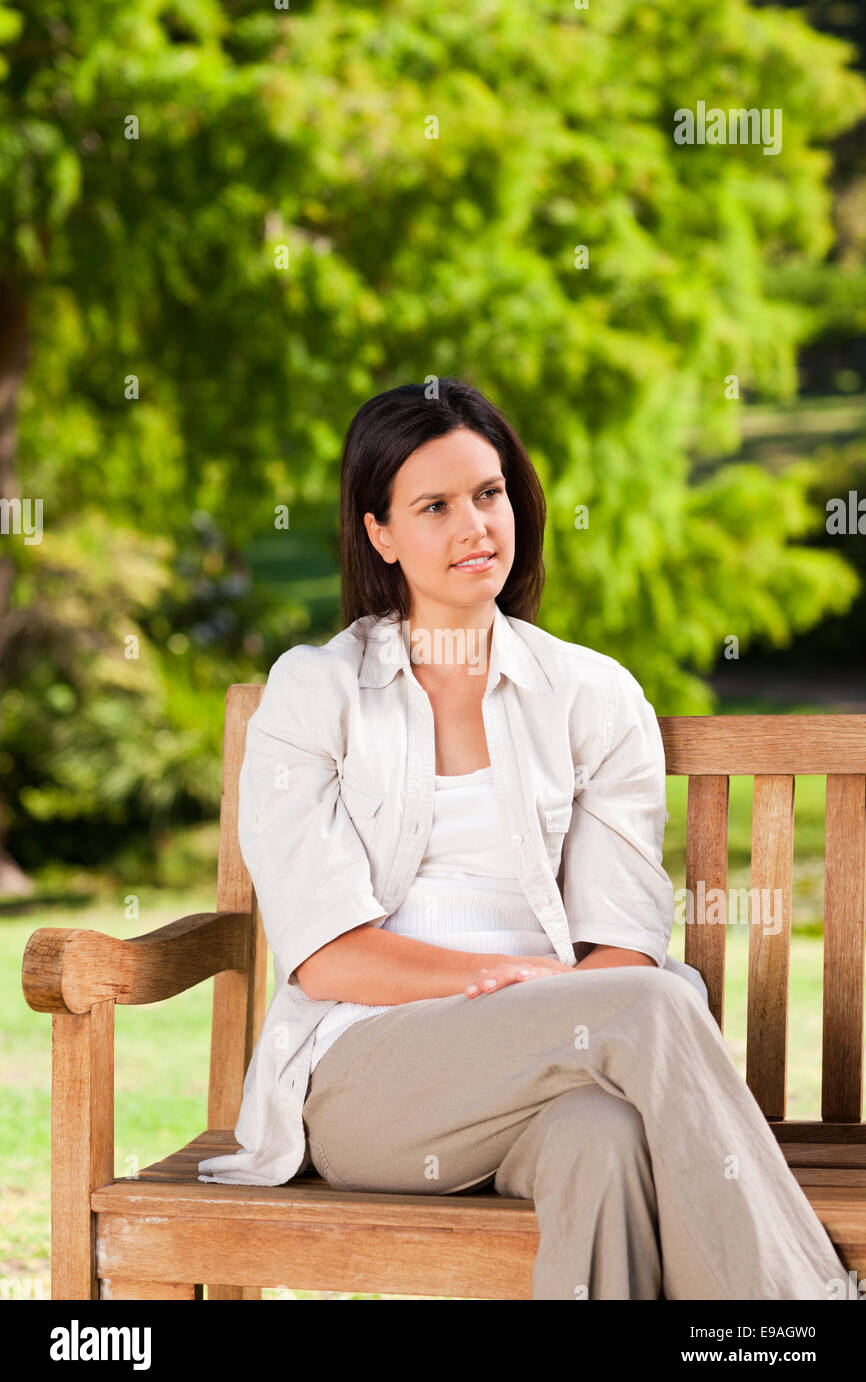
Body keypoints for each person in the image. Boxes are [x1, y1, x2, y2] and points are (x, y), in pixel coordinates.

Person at [198, 376, 850, 1302]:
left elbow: (623, 935)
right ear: (380, 532)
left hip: (562, 1054)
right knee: (654, 1003)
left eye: (489, 494)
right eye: (435, 506)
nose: (476, 527)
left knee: (604, 1137)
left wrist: (557, 1000)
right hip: (372, 1079)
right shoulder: (318, 692)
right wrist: (506, 986)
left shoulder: (591, 695)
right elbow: (328, 957)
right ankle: (801, 1323)